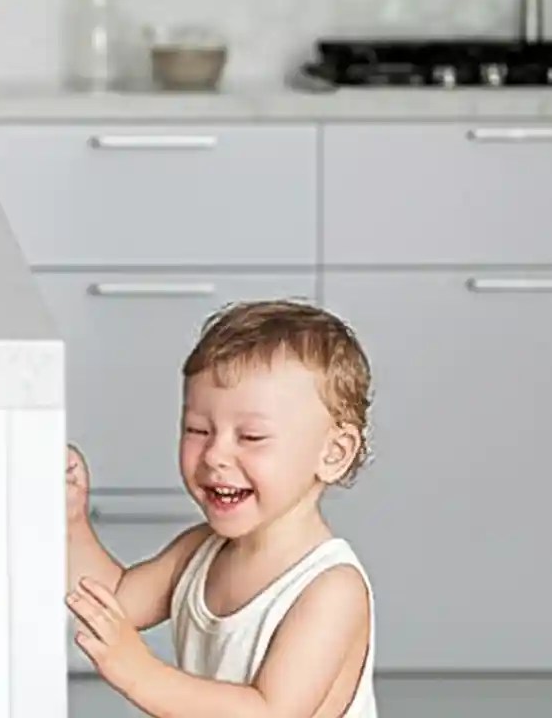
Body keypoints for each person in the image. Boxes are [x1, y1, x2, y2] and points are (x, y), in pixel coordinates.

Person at [64, 299, 378, 717]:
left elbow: (269, 712)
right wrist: (72, 521)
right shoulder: (200, 551)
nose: (214, 455)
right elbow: (114, 601)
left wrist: (140, 674)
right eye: (198, 430)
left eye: (251, 437)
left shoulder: (330, 590)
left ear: (333, 453)